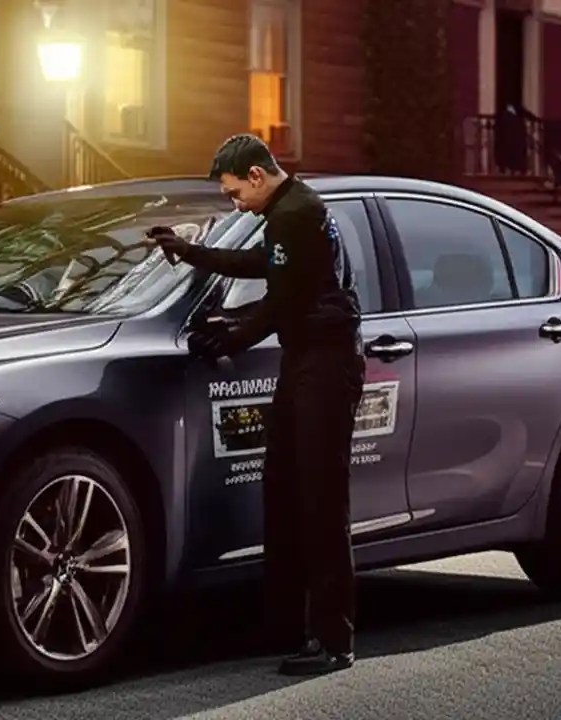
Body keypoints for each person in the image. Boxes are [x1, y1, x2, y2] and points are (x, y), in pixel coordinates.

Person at [149, 134, 366, 676]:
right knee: (284, 488)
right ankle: (287, 626)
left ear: (255, 176)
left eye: (234, 193)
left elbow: (281, 302)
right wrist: (191, 252)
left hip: (327, 363)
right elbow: (264, 265)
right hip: (305, 358)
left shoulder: (297, 213)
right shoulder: (288, 210)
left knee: (321, 500)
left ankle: (333, 641)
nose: (235, 204)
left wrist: (232, 339)